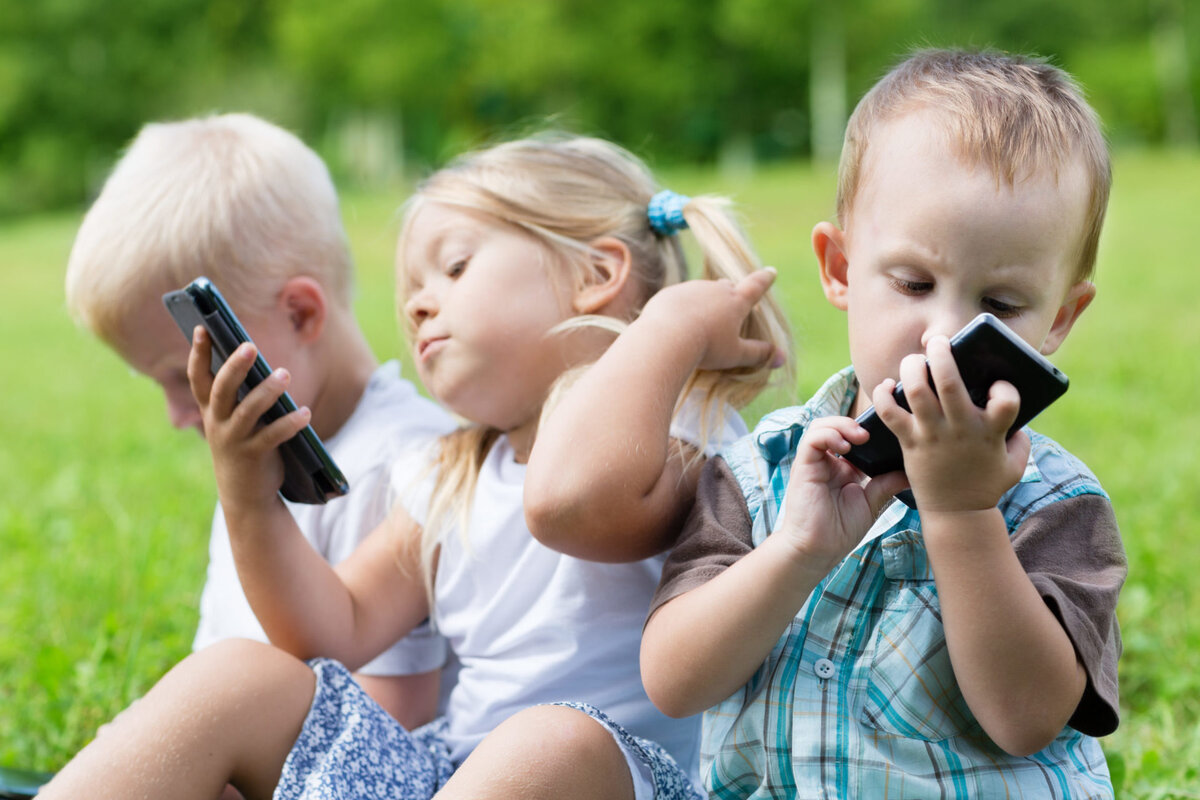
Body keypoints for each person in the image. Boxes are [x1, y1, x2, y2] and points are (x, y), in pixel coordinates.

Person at [41, 132, 790, 800]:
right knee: (238, 674)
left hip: (611, 781)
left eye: (454, 267)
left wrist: (669, 327)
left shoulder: (684, 437)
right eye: (411, 294)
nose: (418, 307)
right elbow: (329, 635)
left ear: (598, 271)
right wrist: (250, 499)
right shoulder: (452, 474)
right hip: (448, 780)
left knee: (550, 741)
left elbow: (568, 503)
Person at [640, 49, 1128, 797]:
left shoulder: (1056, 501)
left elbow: (1026, 718)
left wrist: (963, 513)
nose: (944, 335)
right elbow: (675, 684)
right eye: (913, 283)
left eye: (999, 305)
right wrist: (797, 549)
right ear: (839, 269)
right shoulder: (757, 470)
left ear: (1060, 317)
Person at [63, 113, 455, 728]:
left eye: (186, 378)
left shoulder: (403, 470)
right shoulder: (257, 465)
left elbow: (392, 726)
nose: (177, 414)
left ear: (300, 315)